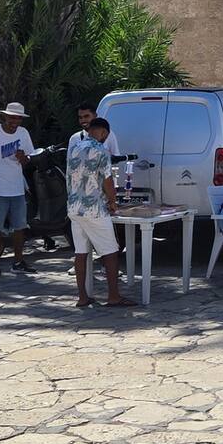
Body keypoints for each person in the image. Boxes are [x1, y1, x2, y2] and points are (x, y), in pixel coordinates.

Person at [66, 115, 128, 307]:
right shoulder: (101, 151)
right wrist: (113, 202)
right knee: (110, 252)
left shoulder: (75, 148)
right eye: (105, 135)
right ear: (102, 132)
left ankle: (82, 297)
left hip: (74, 208)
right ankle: (114, 296)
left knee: (81, 253)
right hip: (94, 209)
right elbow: (108, 181)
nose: (104, 138)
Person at [0, 103, 37, 276]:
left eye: (18, 118)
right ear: (4, 117)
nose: (15, 121)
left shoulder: (23, 133)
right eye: (12, 117)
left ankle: (18, 261)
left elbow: (29, 159)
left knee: (20, 227)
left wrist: (23, 158)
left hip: (17, 188)